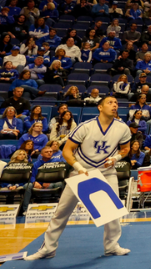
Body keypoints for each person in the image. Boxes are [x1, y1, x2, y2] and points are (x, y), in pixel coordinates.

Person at [26, 96, 132, 260]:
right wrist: (78, 167)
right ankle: (48, 248)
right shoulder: (85, 126)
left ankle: (112, 246)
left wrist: (116, 158)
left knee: (112, 212)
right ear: (100, 107)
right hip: (82, 171)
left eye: (116, 103)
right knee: (62, 212)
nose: (114, 105)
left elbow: (126, 149)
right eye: (110, 103)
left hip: (107, 171)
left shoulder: (122, 127)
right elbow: (67, 150)